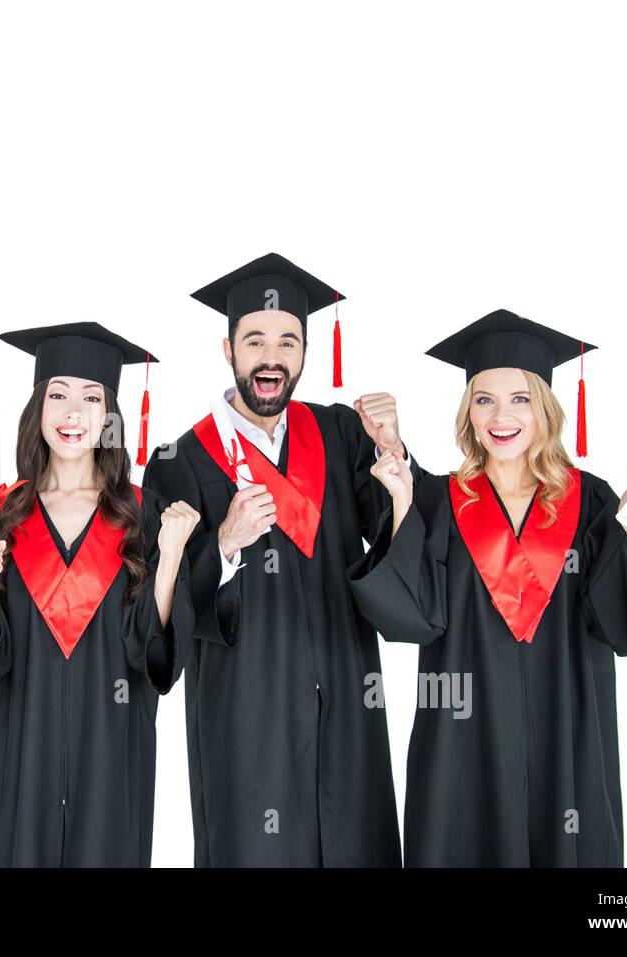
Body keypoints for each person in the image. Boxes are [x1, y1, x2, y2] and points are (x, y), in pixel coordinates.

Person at [348, 308, 627, 866]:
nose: (502, 415)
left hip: (566, 722)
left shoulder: (591, 500)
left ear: (545, 408)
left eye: (520, 398)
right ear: (468, 410)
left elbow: (619, 621)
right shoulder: (439, 500)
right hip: (461, 734)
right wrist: (399, 497)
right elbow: (409, 616)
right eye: (485, 398)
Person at [142, 253, 423, 866]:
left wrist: (396, 451)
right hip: (244, 716)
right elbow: (160, 614)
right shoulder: (177, 461)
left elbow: (405, 535)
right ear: (228, 350)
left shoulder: (344, 435)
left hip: (349, 700)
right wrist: (222, 544)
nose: (272, 357)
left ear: (305, 350)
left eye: (288, 341)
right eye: (255, 340)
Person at [0, 322, 198, 866]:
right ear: (38, 408)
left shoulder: (143, 514)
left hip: (111, 748)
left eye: (92, 397)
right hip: (15, 752)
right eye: (58, 395)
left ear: (111, 415)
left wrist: (169, 560)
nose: (74, 413)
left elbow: (155, 660)